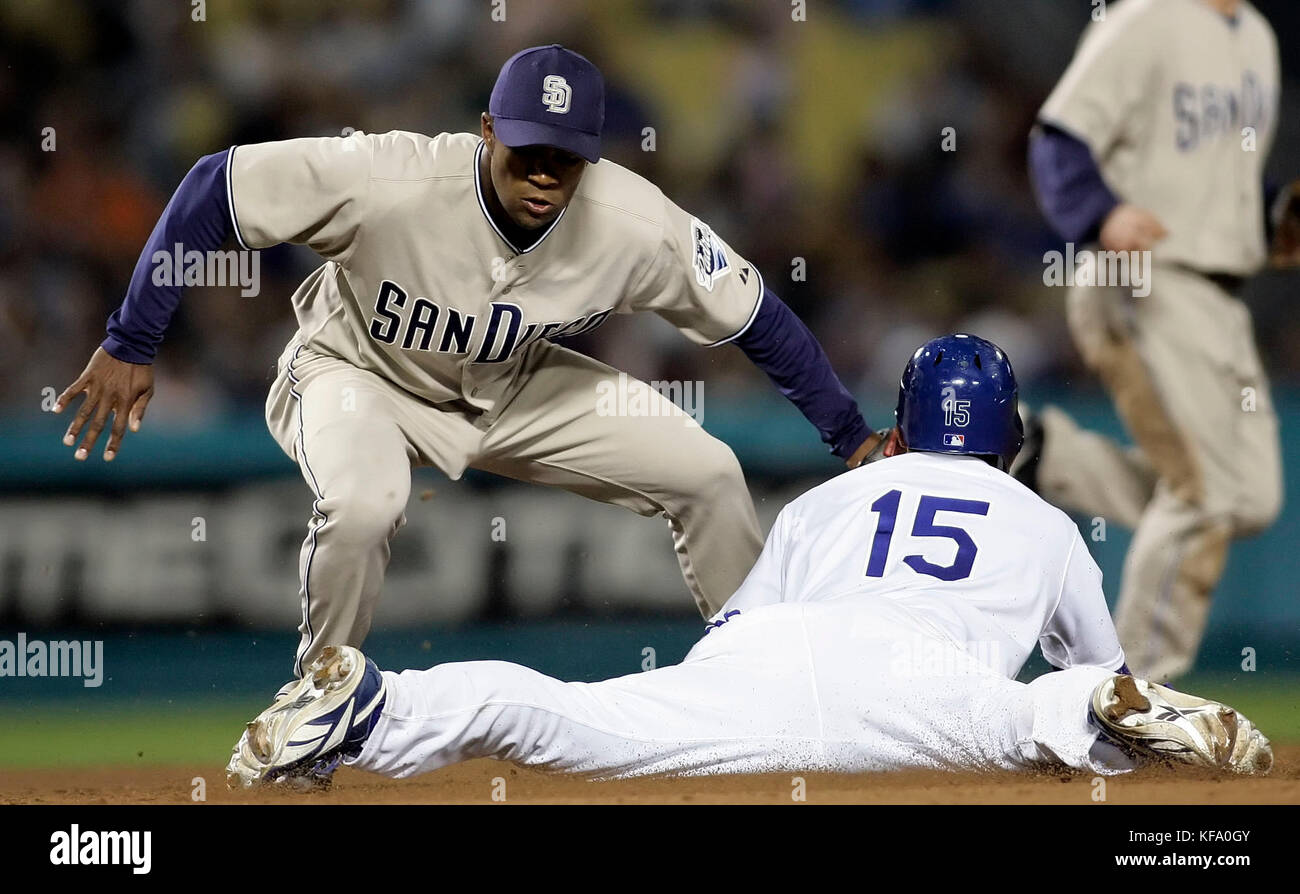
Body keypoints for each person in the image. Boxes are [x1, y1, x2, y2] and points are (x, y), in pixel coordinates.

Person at [53, 45, 879, 682]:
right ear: (488, 131)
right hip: (354, 372)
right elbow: (213, 189)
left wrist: (847, 435)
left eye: (566, 156)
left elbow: (756, 315)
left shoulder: (635, 223)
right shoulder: (388, 177)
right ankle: (319, 701)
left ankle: (756, 688)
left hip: (513, 385)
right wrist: (132, 339)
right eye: (527, 150)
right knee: (366, 505)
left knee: (709, 472)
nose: (546, 172)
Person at [226, 335, 1272, 790]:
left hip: (771, 655)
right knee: (1053, 712)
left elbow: (730, 628)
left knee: (562, 714)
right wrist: (1103, 699)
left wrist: (725, 691)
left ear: (899, 433)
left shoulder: (825, 498)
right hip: (926, 687)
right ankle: (1089, 719)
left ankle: (375, 703)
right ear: (1005, 444)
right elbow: (1100, 656)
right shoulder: (1038, 521)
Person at [1022, 0, 1294, 681]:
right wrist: (1099, 213)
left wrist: (1271, 211)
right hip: (1144, 277)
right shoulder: (1145, 18)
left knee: (1250, 497)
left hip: (1220, 293)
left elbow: (1211, 175)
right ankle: (1131, 699)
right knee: (1205, 494)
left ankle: (1040, 454)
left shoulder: (1257, 34)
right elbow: (1057, 138)